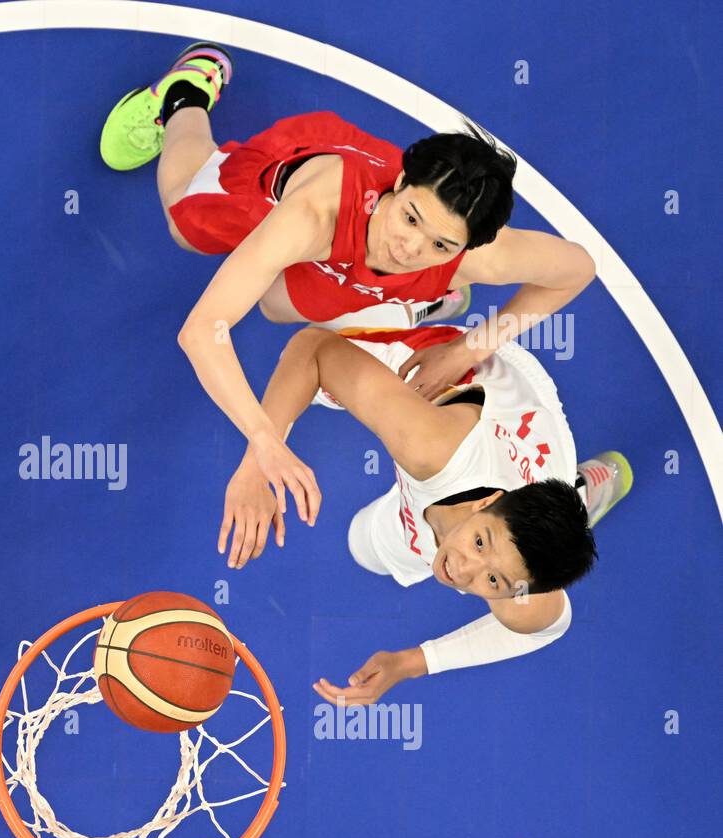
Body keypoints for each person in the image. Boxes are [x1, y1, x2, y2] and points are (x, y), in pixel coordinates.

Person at [100, 43, 597, 522]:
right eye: (410, 218)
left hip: (347, 257)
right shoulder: (313, 216)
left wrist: (469, 348)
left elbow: (576, 270)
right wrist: (264, 440)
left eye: (440, 246)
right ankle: (186, 92)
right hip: (290, 188)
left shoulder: (476, 251)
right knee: (184, 223)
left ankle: (421, 302)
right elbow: (202, 330)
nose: (410, 248)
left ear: (466, 248)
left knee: (275, 304)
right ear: (401, 184)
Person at [214, 324, 631, 703]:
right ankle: (421, 298)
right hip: (466, 378)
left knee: (363, 545)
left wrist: (409, 663)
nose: (465, 568)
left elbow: (549, 626)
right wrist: (258, 466)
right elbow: (313, 347)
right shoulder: (430, 447)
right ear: (487, 504)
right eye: (481, 542)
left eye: (492, 580)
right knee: (319, 383)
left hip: (484, 492)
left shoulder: (520, 587)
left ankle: (571, 507)